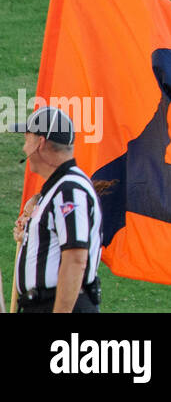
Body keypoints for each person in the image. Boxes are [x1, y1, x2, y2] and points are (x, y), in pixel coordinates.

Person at [9, 107, 104, 313]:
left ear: (39, 143)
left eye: (27, 139)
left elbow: (76, 258)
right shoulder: (58, 189)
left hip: (57, 305)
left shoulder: (68, 190)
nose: (25, 148)